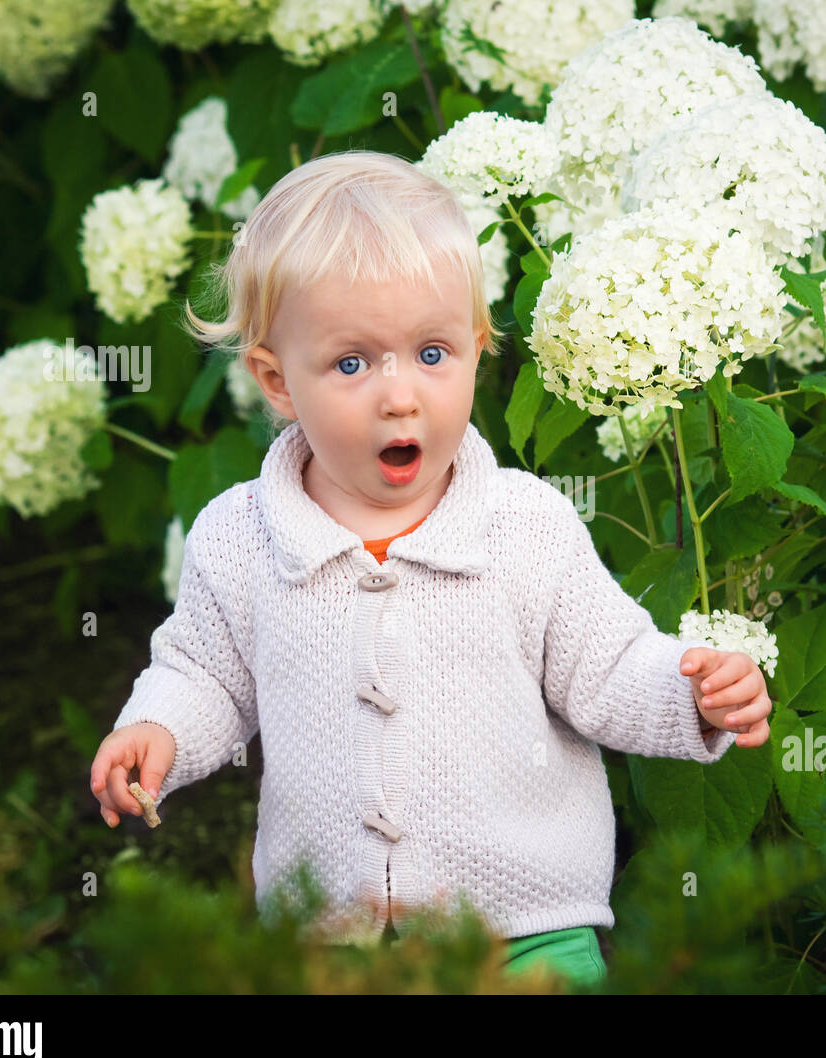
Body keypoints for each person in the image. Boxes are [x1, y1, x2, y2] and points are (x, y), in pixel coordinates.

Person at [88, 149, 773, 993]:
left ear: (479, 350)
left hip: (524, 930)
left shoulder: (523, 526)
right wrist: (158, 728)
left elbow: (607, 663)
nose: (399, 395)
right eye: (351, 363)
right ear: (276, 381)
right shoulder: (241, 537)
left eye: (433, 353)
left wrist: (689, 692)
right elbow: (204, 674)